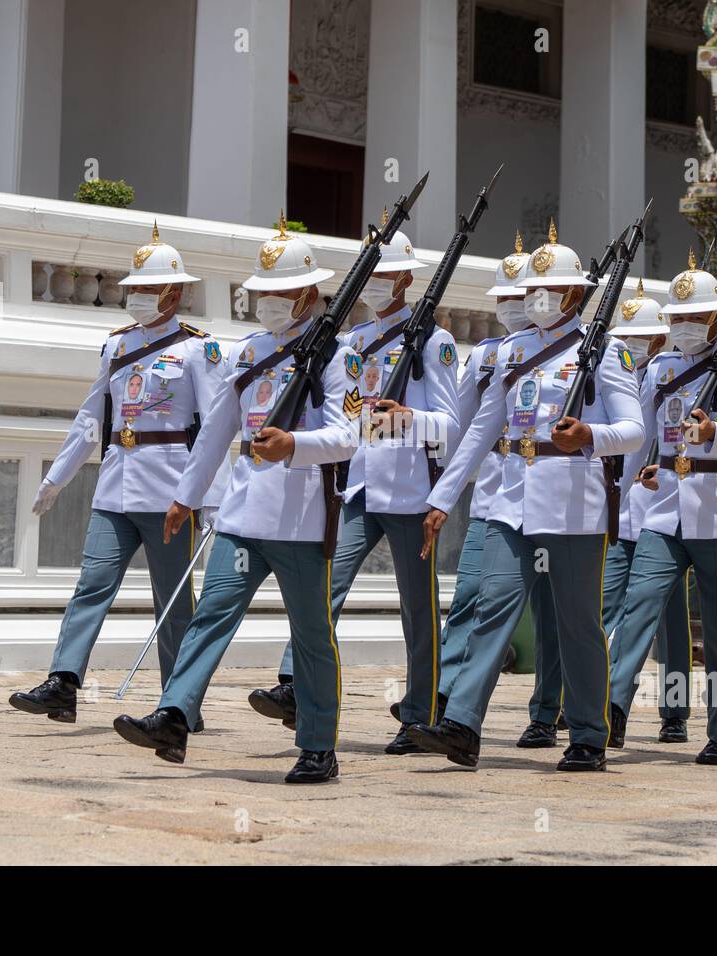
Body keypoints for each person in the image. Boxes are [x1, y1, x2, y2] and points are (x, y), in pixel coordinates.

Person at [112, 217, 361, 784]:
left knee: (311, 635)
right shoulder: (249, 352)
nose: (267, 303)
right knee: (210, 617)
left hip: (301, 519)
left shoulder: (338, 356)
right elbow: (217, 430)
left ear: (305, 294)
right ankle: (175, 717)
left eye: (278, 294)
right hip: (244, 515)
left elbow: (350, 437)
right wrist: (185, 497)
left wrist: (295, 443)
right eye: (262, 293)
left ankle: (319, 746)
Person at [411, 220, 645, 771]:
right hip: (510, 497)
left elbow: (635, 430)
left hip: (570, 502)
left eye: (549, 291)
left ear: (573, 294)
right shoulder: (510, 352)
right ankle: (463, 724)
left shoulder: (606, 353)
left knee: (576, 621)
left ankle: (588, 732)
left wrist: (591, 435)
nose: (537, 300)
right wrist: (443, 497)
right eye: (531, 292)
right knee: (492, 607)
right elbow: (481, 428)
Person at [247, 213, 461, 756]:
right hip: (358, 483)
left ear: (408, 280)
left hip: (412, 488)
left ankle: (420, 713)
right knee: (325, 589)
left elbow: (452, 424)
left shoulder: (433, 342)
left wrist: (407, 419)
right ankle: (295, 684)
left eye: (386, 276)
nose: (375, 286)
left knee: (418, 609)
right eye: (369, 277)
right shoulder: (349, 340)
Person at [9, 224, 222, 724]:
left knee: (172, 605)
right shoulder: (116, 346)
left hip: (173, 490)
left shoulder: (200, 350)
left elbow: (216, 428)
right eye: (135, 290)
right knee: (93, 582)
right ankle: (63, 683)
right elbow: (92, 417)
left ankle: (180, 704)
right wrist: (56, 477)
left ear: (175, 293)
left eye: (148, 290)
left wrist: (210, 499)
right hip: (116, 483)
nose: (139, 298)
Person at [609, 251, 717, 766]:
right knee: (639, 608)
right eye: (676, 319)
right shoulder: (660, 368)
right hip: (664, 510)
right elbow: (641, 441)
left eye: (694, 318)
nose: (684, 327)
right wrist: (618, 495)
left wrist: (713, 433)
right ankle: (611, 704)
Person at [433, 232, 563, 749]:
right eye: (503, 299)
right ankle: (445, 701)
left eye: (517, 298)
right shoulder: (491, 354)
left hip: (556, 501)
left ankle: (546, 711)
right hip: (494, 496)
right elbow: (461, 425)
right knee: (472, 598)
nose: (509, 307)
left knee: (553, 615)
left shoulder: (572, 351)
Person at [601, 280, 695, 745]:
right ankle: (596, 700)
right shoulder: (607, 373)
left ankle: (674, 710)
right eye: (623, 340)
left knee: (668, 621)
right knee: (609, 607)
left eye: (637, 340)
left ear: (660, 339)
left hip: (661, 509)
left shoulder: (667, 374)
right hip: (619, 508)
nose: (628, 347)